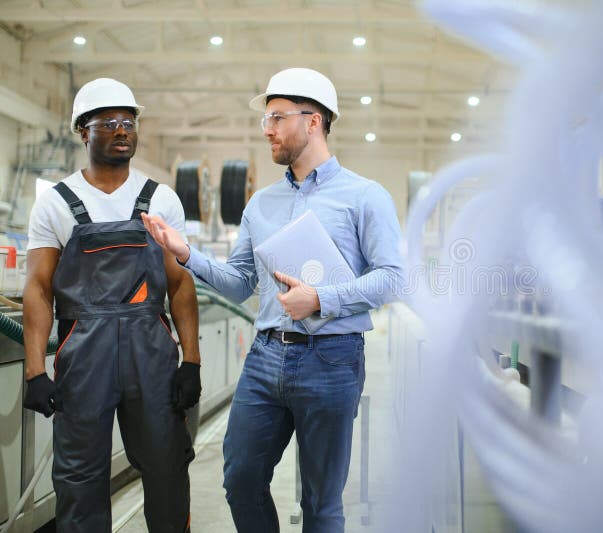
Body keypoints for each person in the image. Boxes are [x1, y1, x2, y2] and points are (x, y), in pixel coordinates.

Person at [141, 67, 404, 532]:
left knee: (321, 502)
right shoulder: (260, 204)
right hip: (264, 360)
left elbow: (392, 279)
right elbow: (240, 282)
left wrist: (320, 298)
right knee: (240, 478)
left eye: (277, 118)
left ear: (314, 121)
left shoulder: (365, 197)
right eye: (266, 120)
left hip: (333, 360)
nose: (267, 130)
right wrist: (186, 254)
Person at [22, 77, 201, 533]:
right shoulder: (56, 204)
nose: (122, 130)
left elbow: (180, 284)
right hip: (84, 353)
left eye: (129, 122)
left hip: (152, 354)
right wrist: (35, 371)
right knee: (79, 476)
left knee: (167, 468)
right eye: (108, 123)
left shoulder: (161, 199)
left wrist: (192, 360)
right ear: (84, 131)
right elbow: (39, 288)